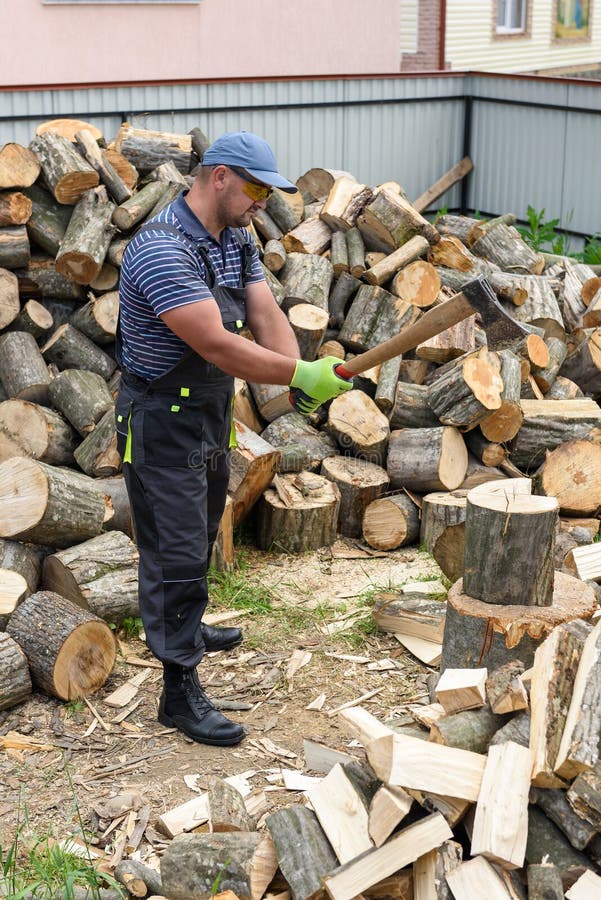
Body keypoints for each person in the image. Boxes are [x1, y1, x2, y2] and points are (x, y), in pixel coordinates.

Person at [115, 131, 352, 747]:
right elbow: (216, 342)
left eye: (267, 194)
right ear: (218, 176)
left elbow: (264, 310)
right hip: (161, 419)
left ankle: (187, 627)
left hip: (208, 412)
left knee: (200, 527)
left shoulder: (235, 239)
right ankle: (178, 689)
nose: (261, 204)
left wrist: (295, 381)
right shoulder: (161, 249)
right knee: (174, 554)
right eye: (253, 190)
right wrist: (300, 372)